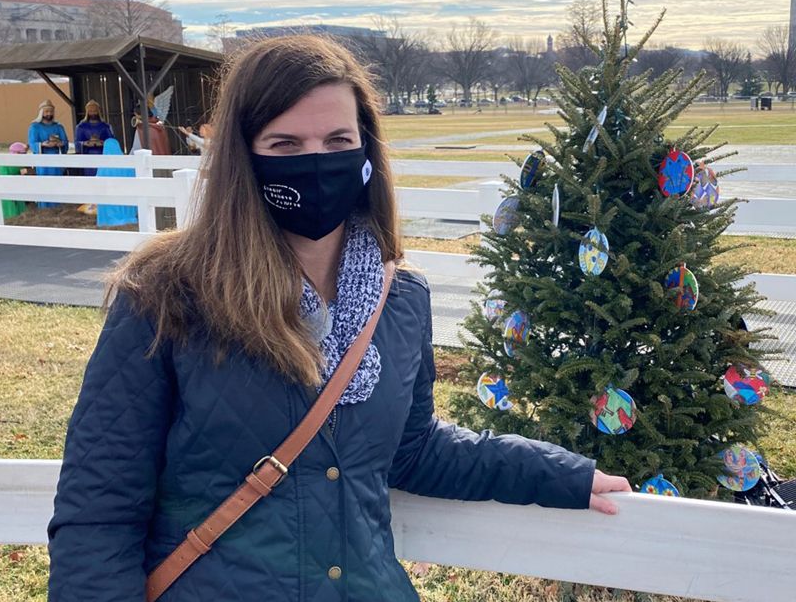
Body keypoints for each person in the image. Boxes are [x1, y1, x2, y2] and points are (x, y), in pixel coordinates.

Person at [47, 36, 629, 602]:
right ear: (242, 157)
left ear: (366, 152)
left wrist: (561, 475)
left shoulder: (400, 298)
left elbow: (414, 450)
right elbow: (99, 511)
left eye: (337, 139)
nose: (317, 163)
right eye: (284, 145)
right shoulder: (166, 293)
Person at [27, 99, 68, 208]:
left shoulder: (58, 127)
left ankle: (58, 205)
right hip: (43, 160)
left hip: (55, 159)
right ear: (41, 113)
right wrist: (43, 145)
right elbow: (32, 143)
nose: (49, 114)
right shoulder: (35, 127)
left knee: (56, 182)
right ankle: (45, 207)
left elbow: (65, 142)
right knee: (45, 183)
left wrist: (60, 144)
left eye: (51, 111)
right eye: (46, 111)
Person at [94, 137, 137, 227]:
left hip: (109, 196)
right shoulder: (126, 163)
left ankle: (108, 220)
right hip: (125, 195)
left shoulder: (103, 166)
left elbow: (98, 182)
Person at [74, 100, 113, 175]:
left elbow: (111, 141)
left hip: (102, 155)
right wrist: (85, 143)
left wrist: (103, 142)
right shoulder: (81, 127)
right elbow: (77, 143)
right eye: (90, 111)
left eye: (95, 111)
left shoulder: (105, 126)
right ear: (87, 112)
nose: (93, 113)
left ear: (98, 111)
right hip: (88, 157)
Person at [0, 141, 31, 220]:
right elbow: (6, 177)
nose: (24, 156)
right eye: (23, 154)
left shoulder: (15, 162)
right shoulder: (7, 163)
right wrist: (21, 172)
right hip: (6, 188)